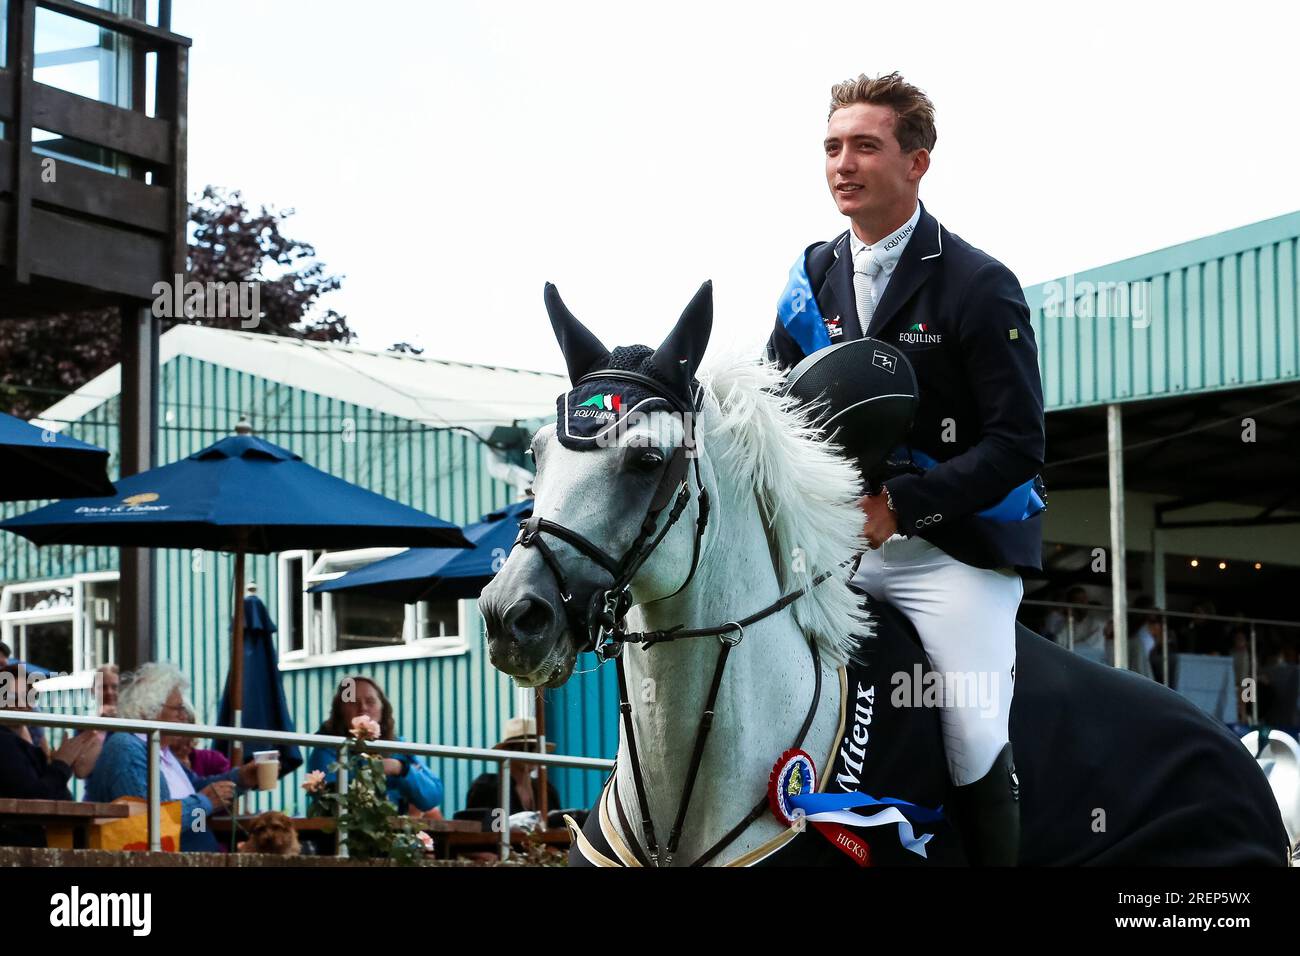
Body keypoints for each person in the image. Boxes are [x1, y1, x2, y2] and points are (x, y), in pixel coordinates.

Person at [766, 73, 1045, 865]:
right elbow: (775, 416)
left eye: (865, 146)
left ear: (917, 161)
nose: (842, 164)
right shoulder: (810, 276)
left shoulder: (981, 285)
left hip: (951, 555)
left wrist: (903, 505)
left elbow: (1018, 442)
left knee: (971, 729)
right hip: (836, 548)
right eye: (831, 147)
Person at [85, 662, 257, 853]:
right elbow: (146, 823)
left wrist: (241, 779)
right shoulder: (127, 750)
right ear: (148, 711)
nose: (184, 716)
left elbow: (194, 788)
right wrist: (204, 802)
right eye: (178, 709)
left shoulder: (159, 749)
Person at [306, 676, 443, 814]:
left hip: (392, 831)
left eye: (370, 701)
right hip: (344, 831)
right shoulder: (327, 746)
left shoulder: (397, 746)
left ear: (383, 708)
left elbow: (432, 797)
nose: (363, 708)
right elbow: (328, 799)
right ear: (340, 710)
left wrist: (400, 768)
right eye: (353, 702)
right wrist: (370, 773)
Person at [0, 664, 102, 846]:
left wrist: (60, 763)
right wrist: (62, 763)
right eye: (11, 697)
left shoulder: (23, 739)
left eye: (28, 697)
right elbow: (34, 800)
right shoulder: (6, 742)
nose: (22, 704)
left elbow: (44, 795)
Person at [464, 717, 562, 820]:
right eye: (527, 748)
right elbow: (476, 826)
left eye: (538, 748)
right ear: (507, 750)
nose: (534, 753)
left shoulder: (546, 789)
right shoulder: (486, 786)